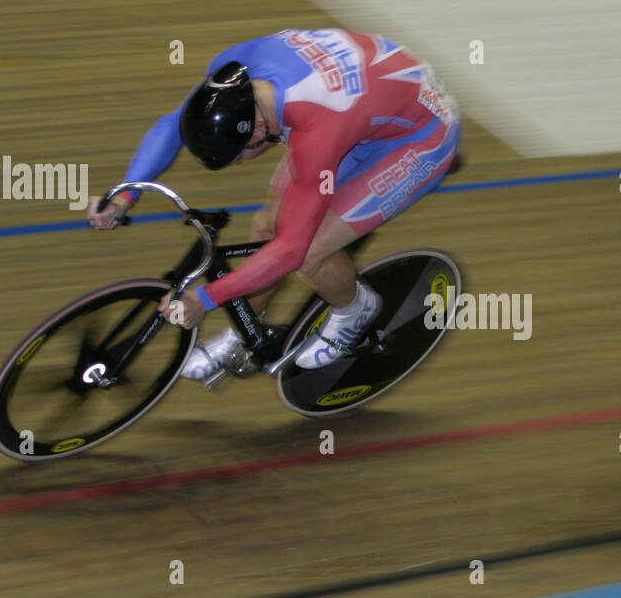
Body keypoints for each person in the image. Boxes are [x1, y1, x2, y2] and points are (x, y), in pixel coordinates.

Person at [86, 28, 462, 378]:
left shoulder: (316, 132)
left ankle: (355, 309)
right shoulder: (233, 71)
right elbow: (174, 125)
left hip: (421, 134)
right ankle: (247, 331)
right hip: (368, 101)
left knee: (310, 250)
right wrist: (124, 194)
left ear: (259, 129)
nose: (243, 163)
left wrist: (207, 298)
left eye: (240, 156)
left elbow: (292, 250)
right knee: (267, 227)